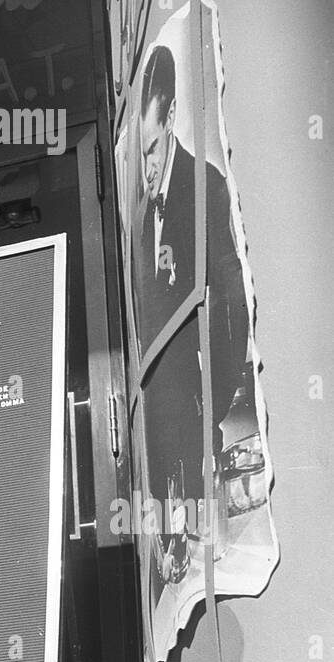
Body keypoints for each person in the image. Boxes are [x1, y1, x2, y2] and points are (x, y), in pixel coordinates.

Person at [131, 41, 250, 587]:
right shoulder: (136, 222)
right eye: (141, 152)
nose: (148, 166)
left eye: (153, 149)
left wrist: (213, 403)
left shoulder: (208, 189)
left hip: (199, 431)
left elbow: (232, 312)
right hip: (161, 448)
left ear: (173, 117)